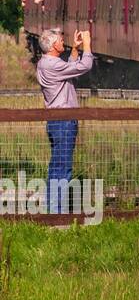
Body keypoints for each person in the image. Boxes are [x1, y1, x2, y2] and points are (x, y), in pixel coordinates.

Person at [36, 27, 94, 213]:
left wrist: (75, 51)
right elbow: (84, 67)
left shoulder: (45, 63)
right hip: (64, 121)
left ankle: (52, 209)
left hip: (55, 121)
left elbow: (70, 70)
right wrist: (87, 45)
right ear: (53, 45)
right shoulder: (53, 65)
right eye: (61, 41)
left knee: (56, 166)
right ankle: (57, 214)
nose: (63, 42)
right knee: (63, 168)